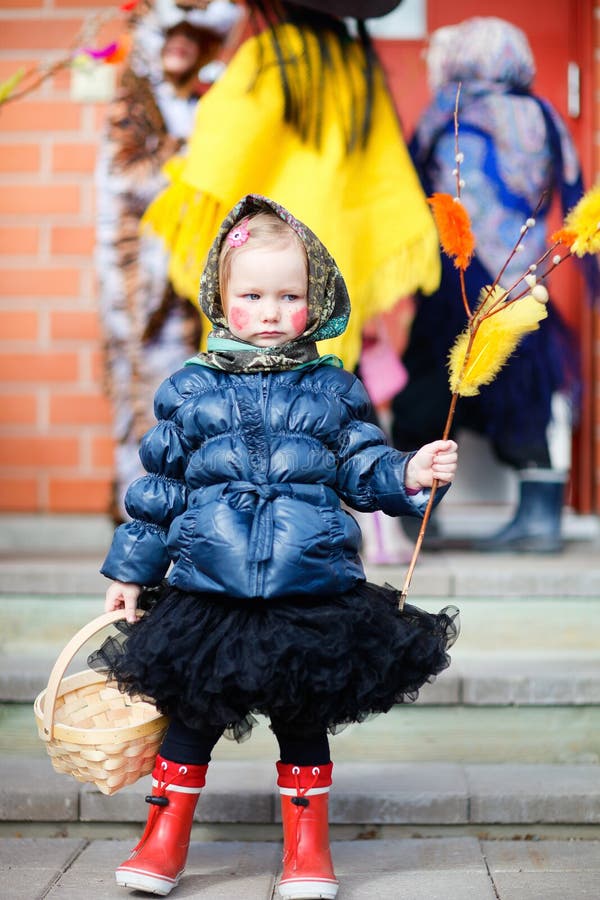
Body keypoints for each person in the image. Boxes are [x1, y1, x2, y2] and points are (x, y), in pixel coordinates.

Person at [91, 195, 459, 899]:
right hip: (209, 586)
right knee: (194, 715)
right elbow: (160, 489)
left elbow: (361, 467)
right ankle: (163, 839)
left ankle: (307, 850)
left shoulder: (333, 389)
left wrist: (408, 471)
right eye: (251, 295)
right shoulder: (190, 389)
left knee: (302, 716)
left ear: (315, 300)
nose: (268, 310)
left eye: (288, 296)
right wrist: (130, 573)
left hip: (308, 584)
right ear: (221, 300)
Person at [141, 0, 441, 377]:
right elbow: (383, 179)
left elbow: (218, 152)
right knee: (326, 401)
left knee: (250, 400)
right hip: (332, 257)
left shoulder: (270, 54)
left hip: (264, 259)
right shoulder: (356, 62)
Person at [391, 16, 585, 553]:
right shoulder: (543, 115)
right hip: (522, 281)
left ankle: (412, 517)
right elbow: (566, 191)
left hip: (458, 279)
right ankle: (540, 520)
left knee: (428, 393)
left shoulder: (450, 109)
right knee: (525, 395)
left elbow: (409, 183)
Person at [95, 0, 241, 521]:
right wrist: (189, 155)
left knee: (186, 387)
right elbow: (122, 175)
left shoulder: (211, 98)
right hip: (139, 274)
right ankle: (136, 511)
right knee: (142, 385)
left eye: (190, 37)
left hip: (190, 267)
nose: (179, 45)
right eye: (169, 35)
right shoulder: (135, 100)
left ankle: (179, 507)